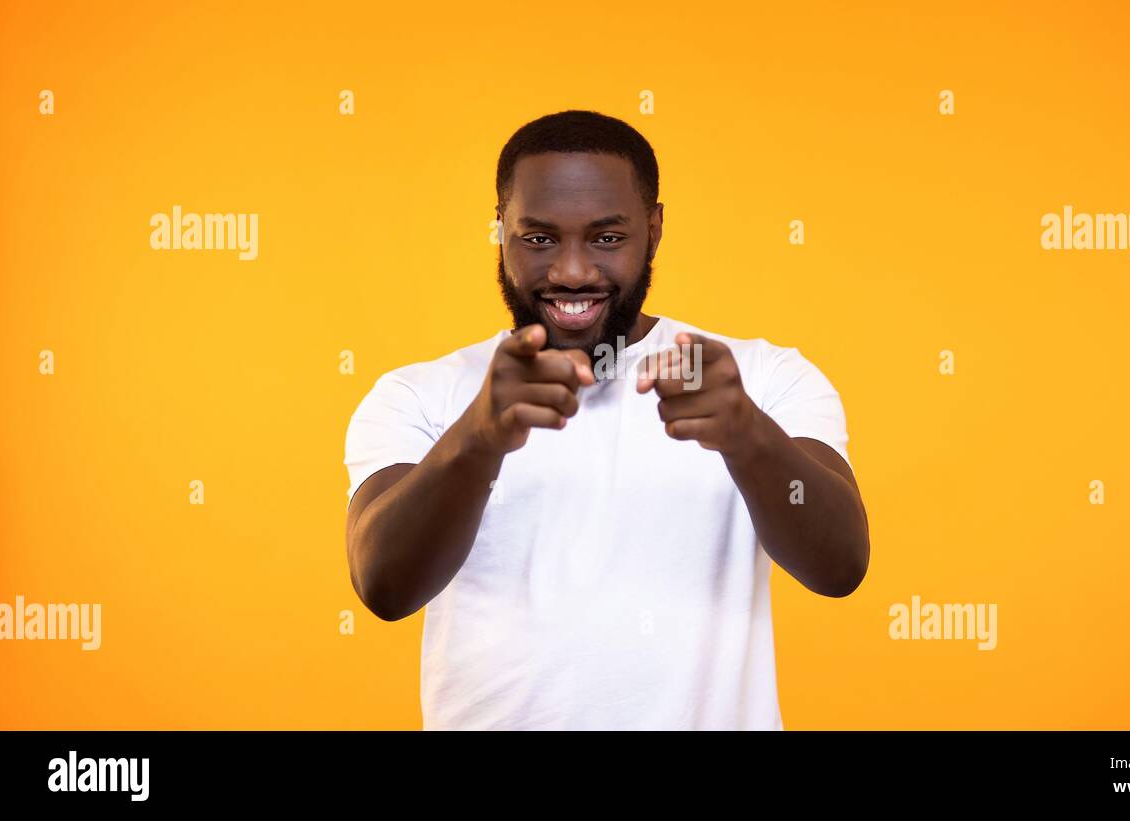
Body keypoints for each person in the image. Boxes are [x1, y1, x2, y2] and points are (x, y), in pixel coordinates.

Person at [343, 109, 870, 730]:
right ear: (500, 230)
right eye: (538, 238)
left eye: (606, 238)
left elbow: (841, 568)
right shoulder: (419, 394)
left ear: (654, 229)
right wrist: (477, 440)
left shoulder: (760, 377)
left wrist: (747, 436)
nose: (571, 272)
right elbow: (383, 587)